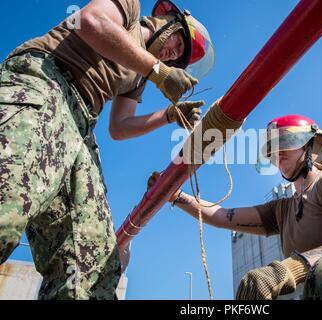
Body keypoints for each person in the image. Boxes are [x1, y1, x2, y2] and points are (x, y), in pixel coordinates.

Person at [0, 0, 214, 299]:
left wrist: (168, 116)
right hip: (43, 80)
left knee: (91, 264)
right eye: (178, 44)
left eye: (177, 60)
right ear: (169, 22)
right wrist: (158, 71)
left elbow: (119, 127)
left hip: (80, 122)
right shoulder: (130, 10)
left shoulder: (138, 76)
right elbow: (90, 21)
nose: (173, 56)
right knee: (6, 201)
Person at [149, 115, 322, 300]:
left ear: (312, 145)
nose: (276, 153)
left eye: (285, 143)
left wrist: (290, 268)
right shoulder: (283, 210)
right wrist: (175, 196)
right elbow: (223, 216)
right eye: (271, 148)